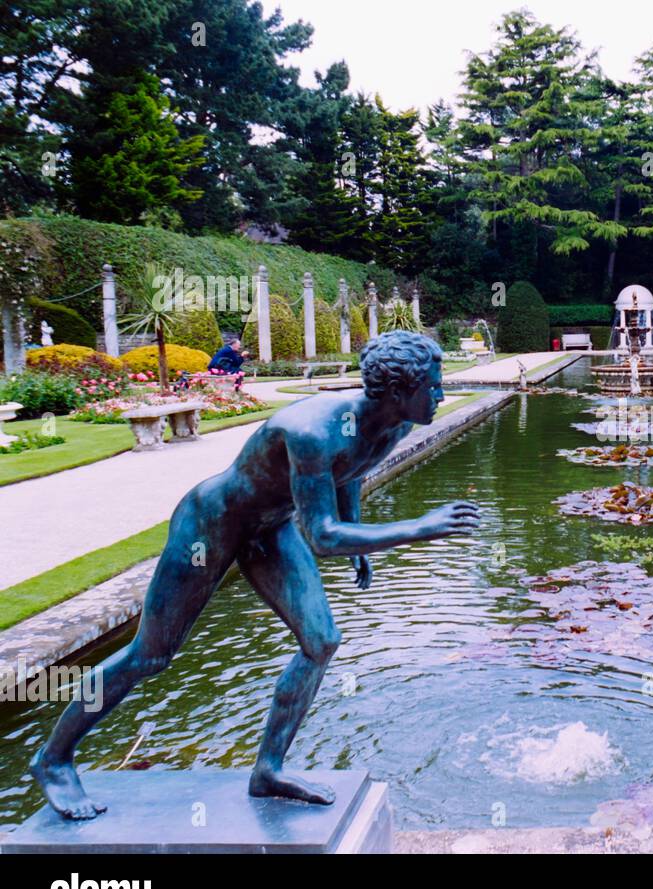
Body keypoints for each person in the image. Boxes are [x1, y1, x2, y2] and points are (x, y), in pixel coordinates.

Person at [30, 331, 482, 820]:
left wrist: (359, 538)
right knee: (151, 654)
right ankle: (52, 760)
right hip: (212, 524)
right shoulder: (314, 431)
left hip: (270, 526)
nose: (440, 396)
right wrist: (418, 527)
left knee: (321, 641)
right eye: (433, 388)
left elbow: (347, 476)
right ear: (397, 391)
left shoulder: (396, 424)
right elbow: (324, 538)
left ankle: (268, 770)